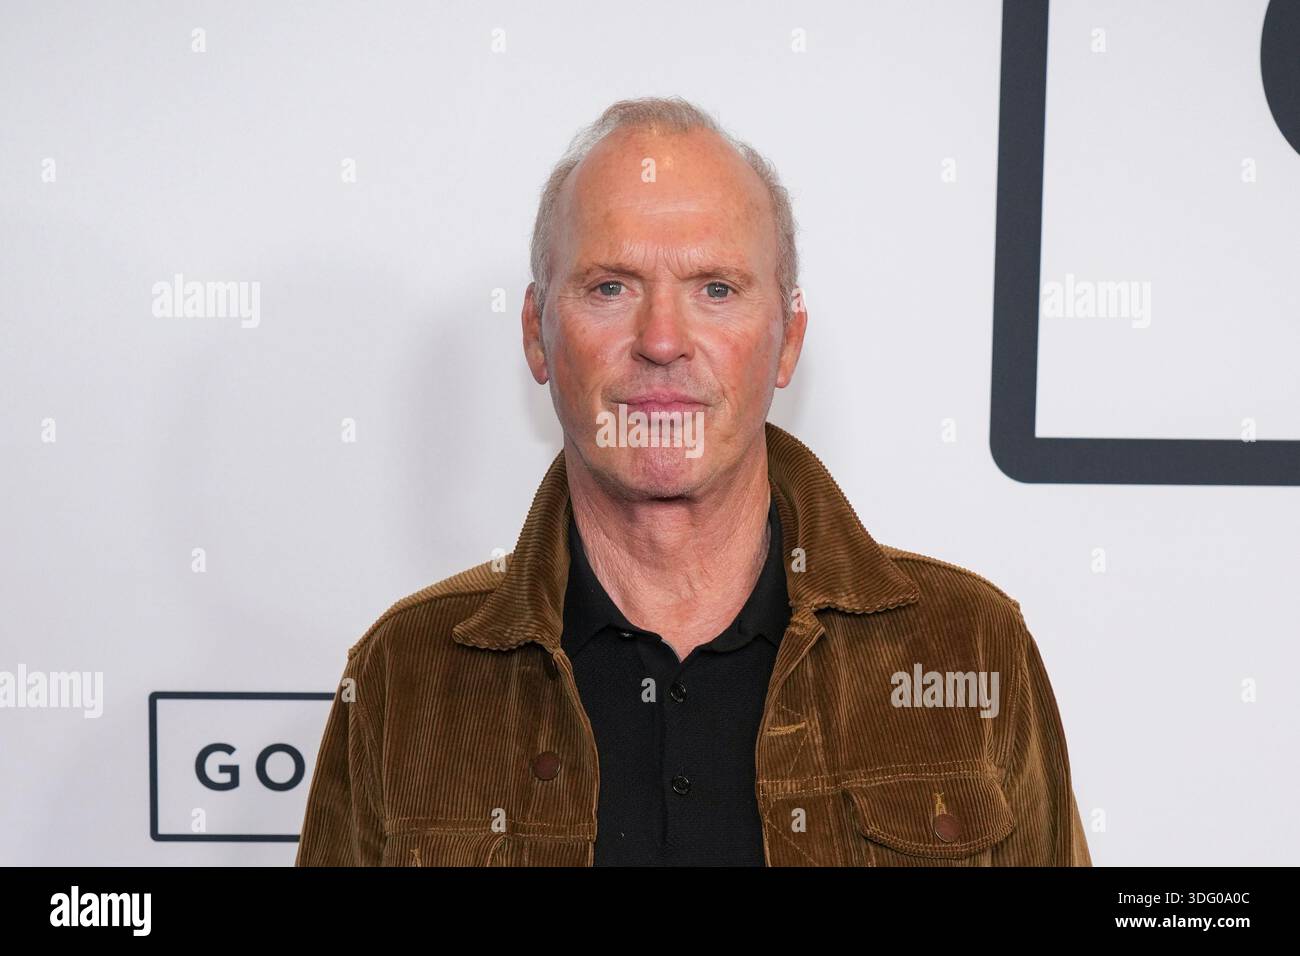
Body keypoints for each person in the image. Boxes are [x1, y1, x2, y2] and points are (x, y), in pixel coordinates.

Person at [295, 96, 1091, 867]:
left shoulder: (967, 647)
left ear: (787, 342)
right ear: (538, 336)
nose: (663, 341)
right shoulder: (406, 672)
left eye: (715, 287)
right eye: (611, 287)